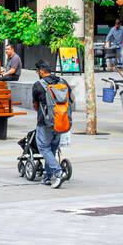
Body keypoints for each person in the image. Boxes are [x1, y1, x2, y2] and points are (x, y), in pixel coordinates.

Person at [31, 59, 72, 189]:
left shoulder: (38, 85)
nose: (38, 73)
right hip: (61, 120)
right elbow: (71, 99)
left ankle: (59, 173)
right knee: (52, 149)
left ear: (42, 72)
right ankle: (47, 178)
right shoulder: (63, 82)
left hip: (45, 122)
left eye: (38, 71)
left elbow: (35, 105)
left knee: (43, 148)